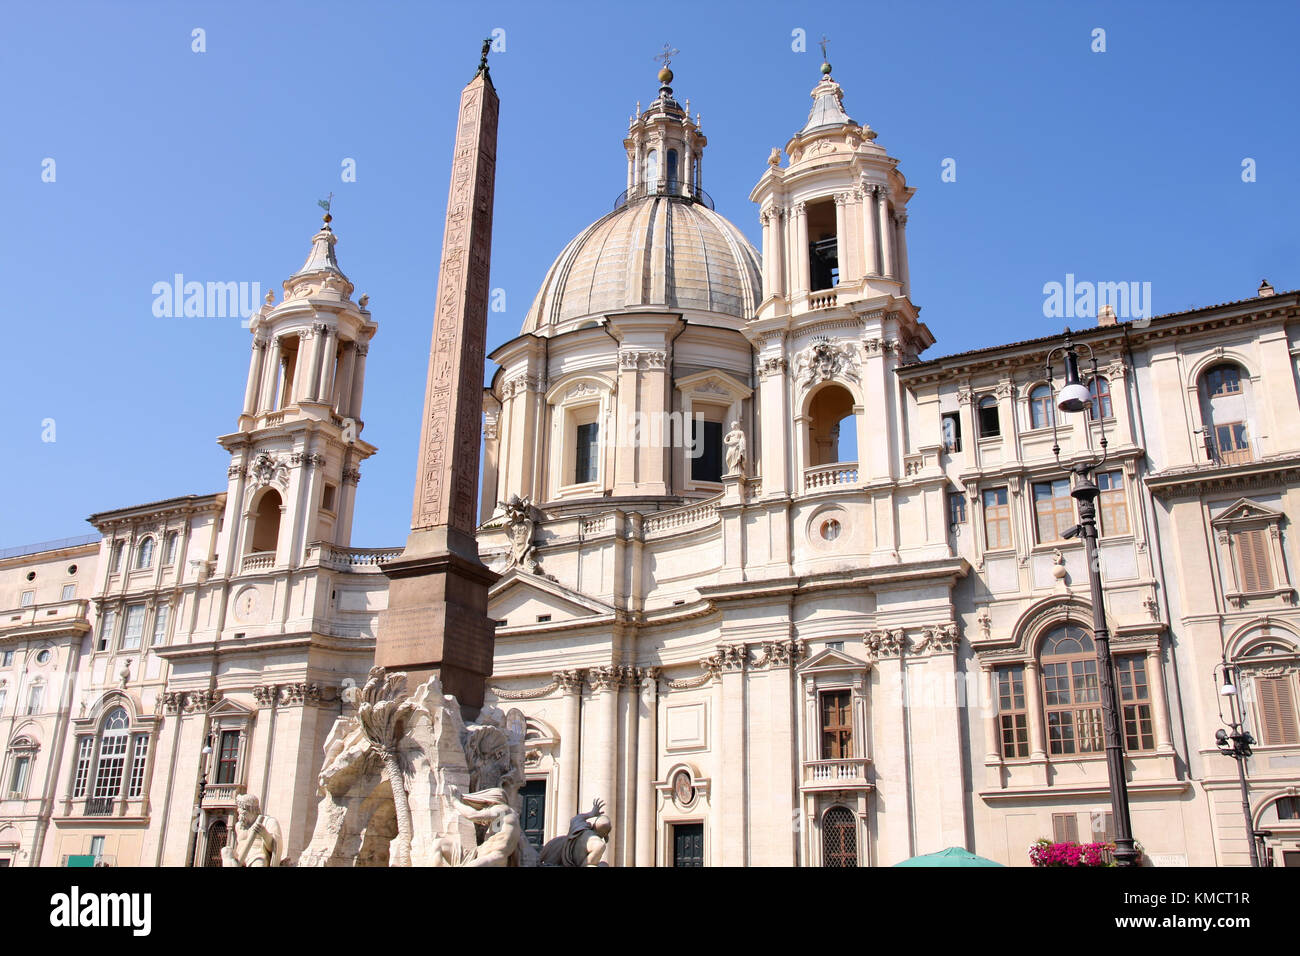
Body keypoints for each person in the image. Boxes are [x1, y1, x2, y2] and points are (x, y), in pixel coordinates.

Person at [220, 794, 282, 867]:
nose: (238, 810)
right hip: (240, 857)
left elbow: (275, 846)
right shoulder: (239, 825)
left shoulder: (268, 822)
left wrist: (265, 834)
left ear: (250, 809)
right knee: (226, 851)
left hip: (257, 855)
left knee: (260, 862)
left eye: (240, 808)